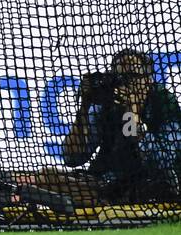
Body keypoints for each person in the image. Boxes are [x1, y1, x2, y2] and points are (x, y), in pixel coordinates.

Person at [31, 50, 181, 204]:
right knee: (45, 177)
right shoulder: (108, 104)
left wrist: (133, 111)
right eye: (119, 77)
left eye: (131, 77)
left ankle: (100, 201)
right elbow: (73, 157)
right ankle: (102, 201)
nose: (125, 83)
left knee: (149, 188)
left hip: (147, 183)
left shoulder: (163, 102)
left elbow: (161, 161)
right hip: (106, 182)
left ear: (148, 80)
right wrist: (84, 106)